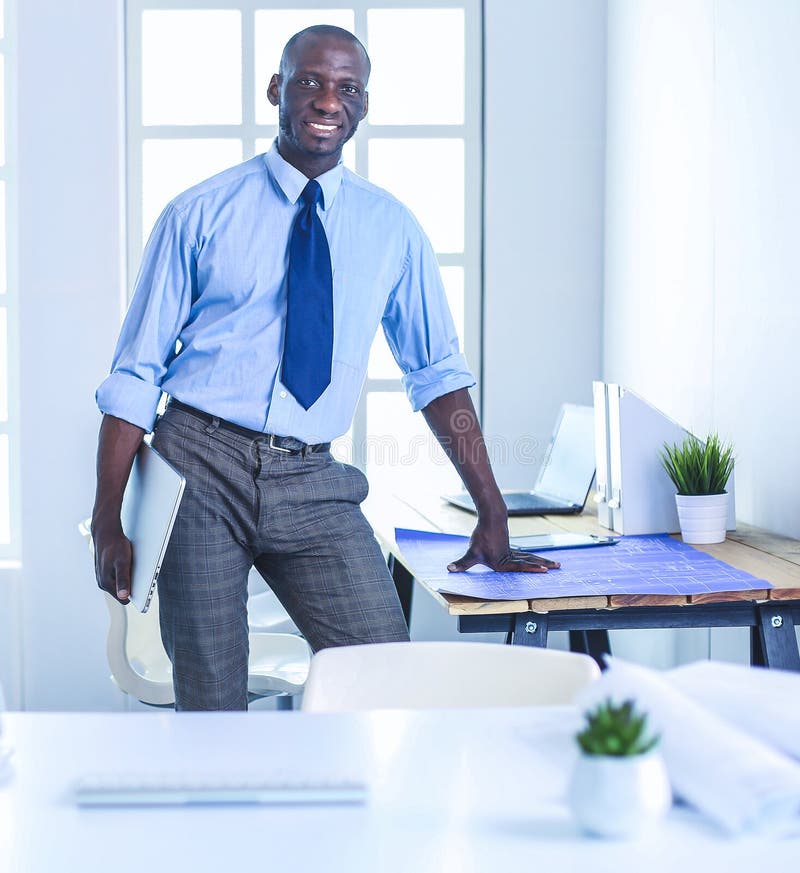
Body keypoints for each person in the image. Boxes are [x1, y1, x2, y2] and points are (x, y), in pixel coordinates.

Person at [92, 25, 558, 711]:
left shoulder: (391, 229)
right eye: (310, 81)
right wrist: (108, 517)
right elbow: (134, 378)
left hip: (312, 476)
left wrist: (491, 509)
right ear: (278, 89)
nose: (327, 100)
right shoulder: (197, 213)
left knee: (386, 685)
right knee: (212, 708)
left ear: (363, 106)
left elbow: (436, 372)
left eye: (347, 87)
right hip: (199, 468)